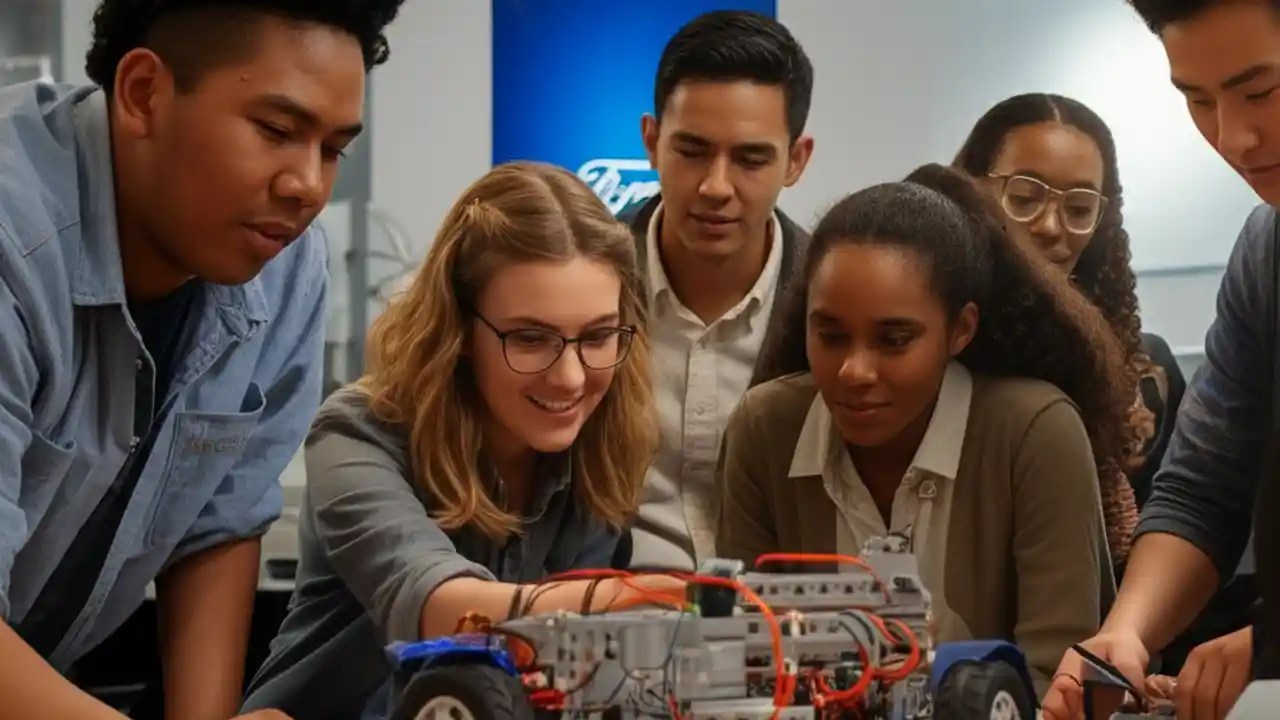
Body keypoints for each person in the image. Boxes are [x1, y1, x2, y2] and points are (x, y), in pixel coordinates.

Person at [0, 1, 403, 718]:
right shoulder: (14, 240)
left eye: (334, 149)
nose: (307, 186)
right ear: (143, 93)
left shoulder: (283, 268)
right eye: (277, 131)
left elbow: (219, 526)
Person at [239, 162, 675, 719]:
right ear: (459, 329)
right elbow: (443, 607)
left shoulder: (598, 452)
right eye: (530, 338)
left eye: (596, 336)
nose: (569, 377)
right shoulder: (356, 433)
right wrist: (646, 601)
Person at [716, 163, 1130, 695]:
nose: (854, 372)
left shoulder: (1036, 432)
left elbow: (1059, 680)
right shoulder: (763, 427)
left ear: (961, 329)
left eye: (893, 340)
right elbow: (741, 662)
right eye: (830, 335)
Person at [955, 94, 1255, 676]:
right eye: (1024, 196)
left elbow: (1186, 524)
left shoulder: (1147, 376)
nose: (1050, 226)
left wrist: (1138, 657)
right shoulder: (931, 348)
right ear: (973, 190)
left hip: (1107, 665)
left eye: (1079, 207)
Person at [1042, 2, 1280, 719]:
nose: (1232, 136)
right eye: (1197, 101)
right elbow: (1205, 485)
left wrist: (1270, 645)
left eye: (1261, 92)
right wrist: (1125, 634)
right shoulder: (1266, 253)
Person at [617, 10, 816, 571]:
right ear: (651, 142)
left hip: (781, 631)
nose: (716, 186)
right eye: (693, 151)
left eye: (751, 159)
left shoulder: (831, 306)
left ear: (796, 161)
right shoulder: (583, 281)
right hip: (598, 615)